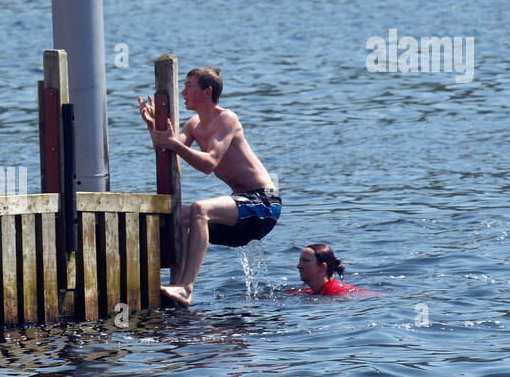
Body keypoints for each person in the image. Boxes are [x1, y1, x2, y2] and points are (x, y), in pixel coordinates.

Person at [139, 66, 280, 307]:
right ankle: (175, 287)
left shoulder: (227, 119)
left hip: (263, 204)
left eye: (189, 86)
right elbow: (169, 151)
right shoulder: (193, 124)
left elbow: (209, 163)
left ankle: (187, 287)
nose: (183, 92)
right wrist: (153, 127)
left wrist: (173, 143)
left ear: (208, 91)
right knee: (179, 217)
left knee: (200, 208)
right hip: (239, 208)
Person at [294, 243, 367, 295]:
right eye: (300, 260)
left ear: (322, 267)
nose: (298, 266)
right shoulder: (311, 291)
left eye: (305, 261)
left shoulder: (337, 292)